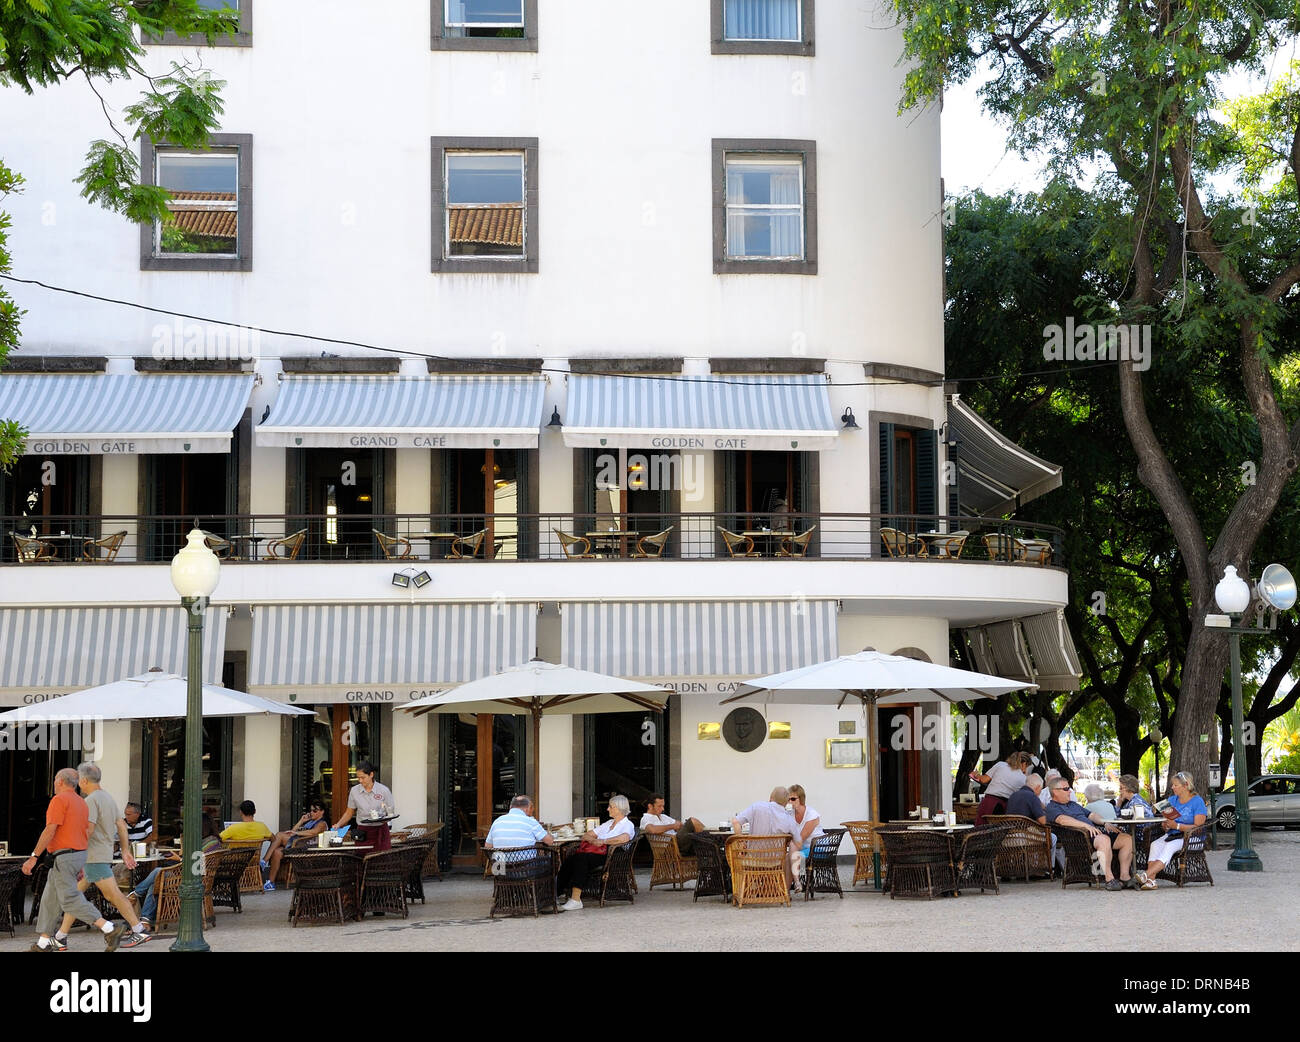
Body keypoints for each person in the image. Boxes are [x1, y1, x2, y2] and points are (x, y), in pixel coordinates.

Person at [21, 767, 128, 952]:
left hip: (64, 856)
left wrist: (33, 857)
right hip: (74, 855)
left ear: (60, 781)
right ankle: (43, 943)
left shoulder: (59, 800)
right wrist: (80, 859)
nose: (54, 782)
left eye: (55, 779)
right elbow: (85, 832)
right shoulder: (81, 802)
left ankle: (109, 928)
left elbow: (50, 830)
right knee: (50, 899)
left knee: (70, 899)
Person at [61, 762, 150, 948]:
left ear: (84, 780)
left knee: (114, 896)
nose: (79, 784)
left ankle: (138, 930)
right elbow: (121, 826)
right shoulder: (108, 798)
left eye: (79, 780)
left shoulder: (91, 800)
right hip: (99, 856)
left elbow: (88, 830)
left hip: (93, 857)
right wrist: (125, 850)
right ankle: (60, 936)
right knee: (75, 895)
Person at [130, 815, 223, 929]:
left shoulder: (209, 843)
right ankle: (145, 921)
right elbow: (194, 861)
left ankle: (136, 894)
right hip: (189, 876)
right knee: (156, 881)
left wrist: (178, 859)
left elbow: (198, 867)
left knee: (158, 872)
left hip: (195, 880)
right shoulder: (210, 841)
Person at [1043, 775, 1135, 890]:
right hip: (1079, 838)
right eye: (1066, 789)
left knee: (1127, 839)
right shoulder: (1052, 807)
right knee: (1104, 839)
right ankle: (1109, 879)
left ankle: (1124, 877)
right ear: (1055, 792)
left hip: (1094, 834)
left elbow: (1091, 815)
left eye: (1069, 788)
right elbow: (1062, 820)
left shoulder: (1073, 804)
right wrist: (1086, 825)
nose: (1070, 791)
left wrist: (1105, 822)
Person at [556, 795, 634, 911]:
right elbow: (586, 835)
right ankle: (556, 894)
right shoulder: (608, 823)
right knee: (571, 859)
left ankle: (576, 899)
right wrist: (593, 840)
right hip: (596, 852)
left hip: (611, 856)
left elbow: (624, 838)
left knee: (581, 859)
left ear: (618, 808)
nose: (608, 809)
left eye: (610, 806)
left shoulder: (627, 824)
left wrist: (604, 841)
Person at [1137, 771, 1207, 891]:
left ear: (1185, 785)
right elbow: (1168, 821)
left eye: (1175, 785)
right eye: (1172, 785)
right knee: (1155, 844)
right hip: (1173, 834)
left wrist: (1177, 826)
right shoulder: (1172, 800)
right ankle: (1151, 881)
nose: (1172, 787)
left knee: (1169, 846)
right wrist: (1166, 826)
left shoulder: (1197, 801)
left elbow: (1198, 826)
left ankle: (1146, 874)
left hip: (1191, 837)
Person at [732, 786, 803, 887]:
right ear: (786, 802)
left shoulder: (757, 807)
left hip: (752, 861)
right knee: (789, 857)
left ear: (770, 797)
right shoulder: (789, 819)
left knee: (736, 854)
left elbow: (735, 822)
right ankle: (785, 893)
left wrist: (741, 842)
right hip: (775, 863)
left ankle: (744, 891)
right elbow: (799, 844)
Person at [261, 799, 331, 892]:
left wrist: (296, 832)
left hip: (306, 847)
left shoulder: (322, 823)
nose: (312, 813)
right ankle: (270, 883)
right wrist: (301, 821)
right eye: (311, 810)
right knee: (277, 852)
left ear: (322, 811)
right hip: (297, 844)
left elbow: (313, 832)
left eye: (315, 810)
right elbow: (291, 833)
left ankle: (264, 861)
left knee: (279, 835)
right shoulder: (310, 822)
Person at [332, 760, 395, 852]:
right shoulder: (354, 791)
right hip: (363, 832)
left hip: (380, 831)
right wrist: (338, 824)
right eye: (358, 778)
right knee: (362, 860)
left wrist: (384, 818)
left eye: (363, 777)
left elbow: (390, 812)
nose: (360, 781)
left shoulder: (383, 790)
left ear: (371, 775)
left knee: (382, 861)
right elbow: (349, 812)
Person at [970, 751, 1031, 823]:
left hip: (987, 802)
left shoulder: (1000, 765)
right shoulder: (1023, 779)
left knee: (979, 830)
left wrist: (976, 775)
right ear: (1024, 764)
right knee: (996, 831)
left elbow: (983, 780)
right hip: (1002, 807)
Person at [639, 795, 706, 856]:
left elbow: (678, 824)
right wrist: (672, 826)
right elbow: (652, 830)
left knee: (695, 836)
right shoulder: (646, 818)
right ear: (650, 806)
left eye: (663, 806)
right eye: (659, 806)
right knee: (692, 821)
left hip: (677, 843)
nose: (663, 809)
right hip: (669, 847)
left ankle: (709, 846)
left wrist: (681, 826)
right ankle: (710, 840)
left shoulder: (663, 816)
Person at [484, 795, 554, 850]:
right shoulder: (530, 821)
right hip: (527, 864)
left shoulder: (497, 821)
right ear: (528, 808)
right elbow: (549, 841)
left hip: (502, 865)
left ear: (510, 807)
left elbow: (488, 846)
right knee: (549, 860)